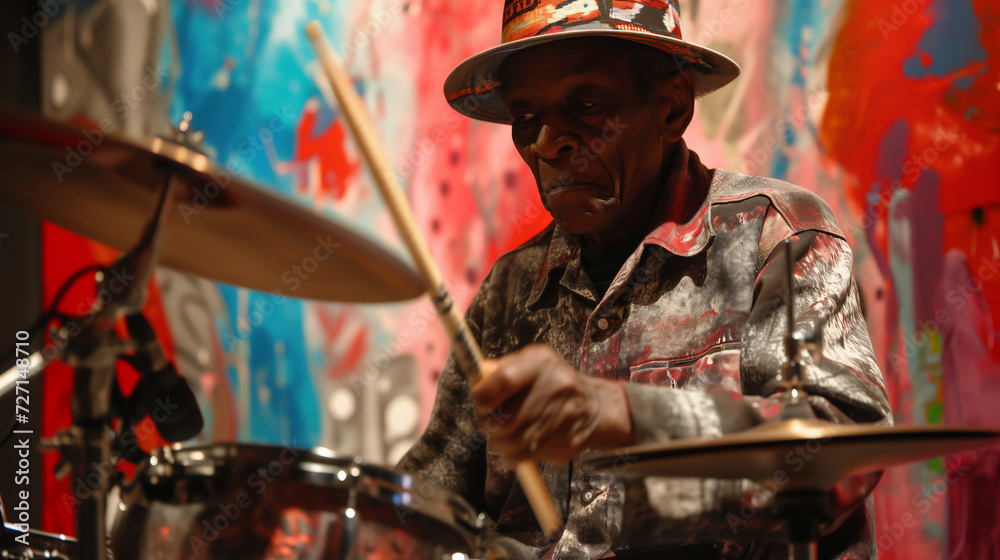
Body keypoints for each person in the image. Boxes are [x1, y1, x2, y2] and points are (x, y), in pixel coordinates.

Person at [398, 1, 892, 559]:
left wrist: (617, 414)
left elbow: (840, 454)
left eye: (586, 104)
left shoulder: (775, 237)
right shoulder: (509, 289)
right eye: (527, 116)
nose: (545, 143)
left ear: (673, 107)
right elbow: (430, 498)